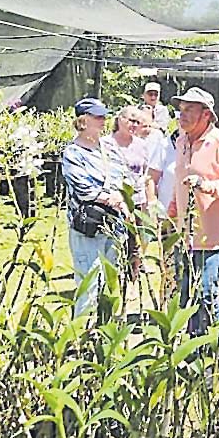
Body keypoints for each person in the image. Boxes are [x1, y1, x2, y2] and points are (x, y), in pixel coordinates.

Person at [168, 87, 219, 335]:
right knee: (185, 298)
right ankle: (193, 349)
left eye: (189, 109)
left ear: (206, 114)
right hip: (184, 237)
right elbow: (179, 181)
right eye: (181, 109)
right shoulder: (181, 141)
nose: (182, 114)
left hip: (211, 239)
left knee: (205, 296)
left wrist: (207, 186)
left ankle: (214, 352)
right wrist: (171, 211)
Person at [61, 98, 132, 318]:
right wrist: (112, 198)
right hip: (88, 227)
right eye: (97, 117)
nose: (103, 120)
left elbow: (124, 176)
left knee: (111, 281)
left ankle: (105, 326)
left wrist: (123, 200)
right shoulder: (73, 153)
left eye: (104, 116)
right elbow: (83, 189)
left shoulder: (110, 148)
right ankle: (83, 330)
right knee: (88, 282)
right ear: (83, 121)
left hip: (114, 225)